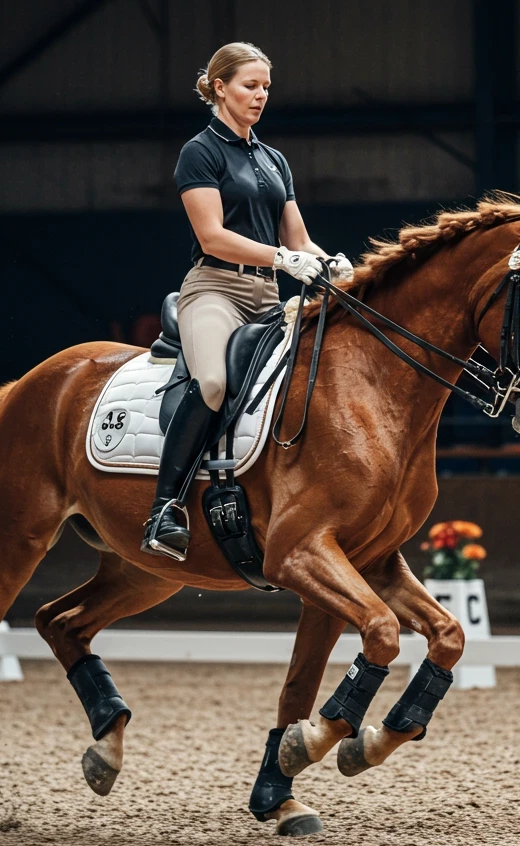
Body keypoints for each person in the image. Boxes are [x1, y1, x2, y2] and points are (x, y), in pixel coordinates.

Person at [141, 41, 353, 561]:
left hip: (268, 295)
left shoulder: (273, 159)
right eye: (250, 86)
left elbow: (299, 239)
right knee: (213, 382)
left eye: (266, 88)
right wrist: (282, 258)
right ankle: (164, 509)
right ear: (220, 87)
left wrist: (334, 265)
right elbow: (212, 236)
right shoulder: (200, 152)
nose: (261, 96)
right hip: (216, 289)